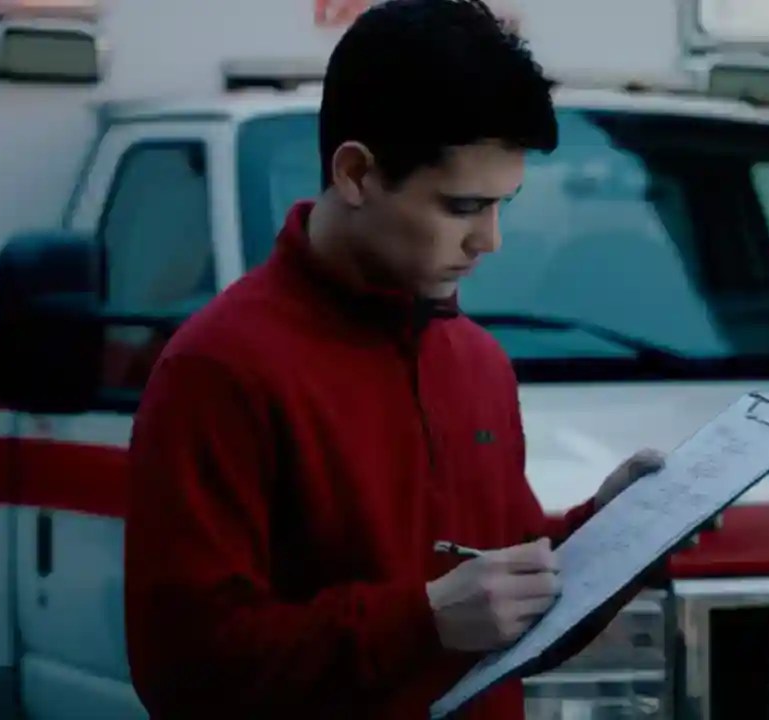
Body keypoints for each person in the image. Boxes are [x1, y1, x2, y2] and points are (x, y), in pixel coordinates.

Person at [123, 1, 667, 717]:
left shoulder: (477, 364)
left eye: (504, 205)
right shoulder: (216, 371)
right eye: (462, 207)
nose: (489, 241)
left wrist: (612, 533)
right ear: (355, 173)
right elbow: (185, 673)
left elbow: (507, 618)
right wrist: (425, 620)